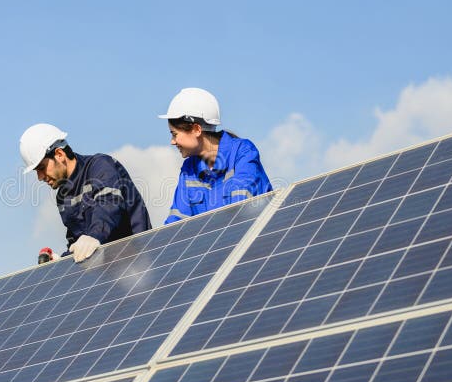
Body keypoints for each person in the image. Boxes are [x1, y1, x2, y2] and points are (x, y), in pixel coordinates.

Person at [20, 123, 152, 262]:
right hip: (109, 273)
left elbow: (108, 206)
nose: (40, 177)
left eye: (42, 167)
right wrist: (62, 261)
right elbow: (80, 244)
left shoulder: (100, 167)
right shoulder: (63, 196)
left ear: (59, 154)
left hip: (138, 261)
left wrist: (95, 235)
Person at [159, 87, 273, 224]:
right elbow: (176, 222)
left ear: (196, 129)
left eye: (174, 134)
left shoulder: (243, 152)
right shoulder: (189, 170)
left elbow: (241, 210)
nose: (172, 142)